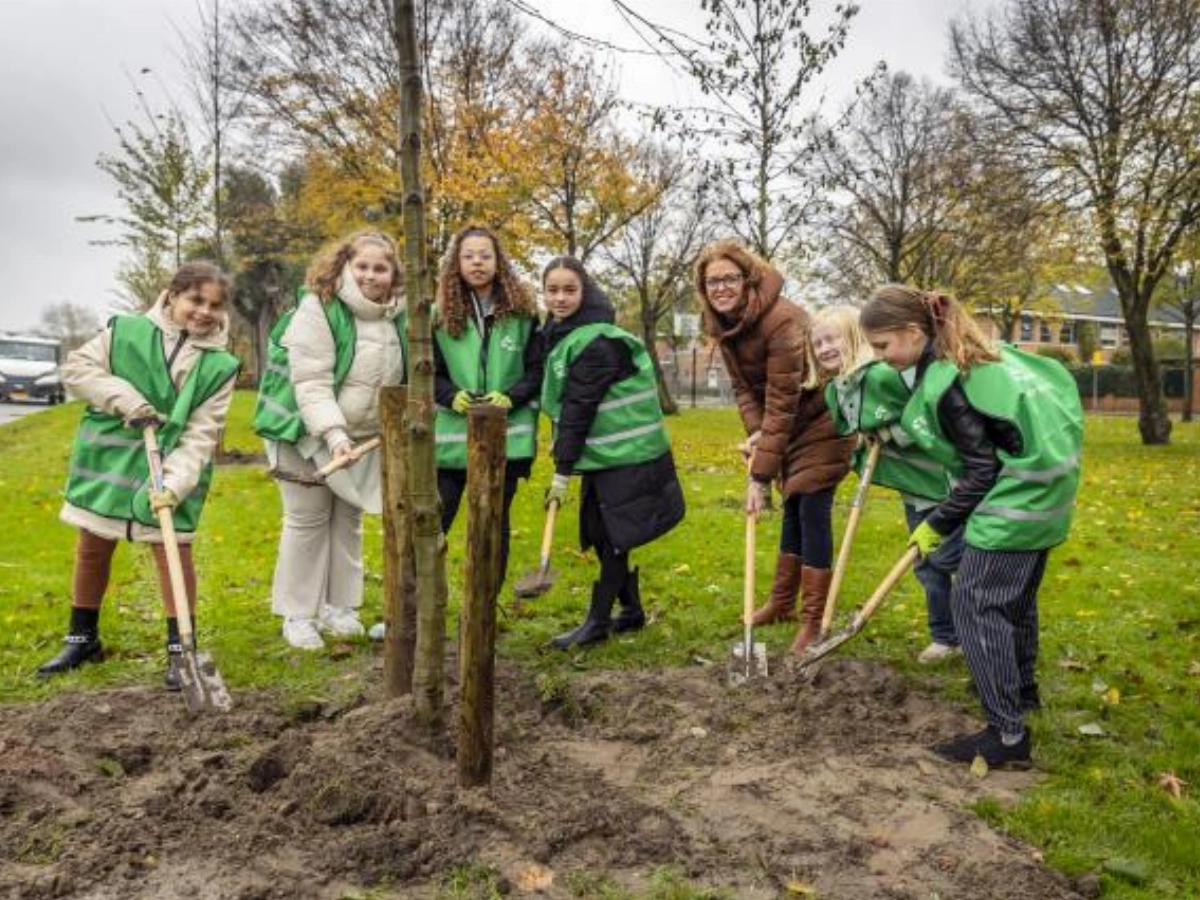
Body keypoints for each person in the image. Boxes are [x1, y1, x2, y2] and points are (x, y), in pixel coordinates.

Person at [860, 283, 1083, 768]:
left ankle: (1006, 735)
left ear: (915, 332)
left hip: (1014, 501)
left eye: (883, 346)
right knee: (1015, 602)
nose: (880, 358)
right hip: (1048, 496)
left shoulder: (949, 382)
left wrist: (936, 524)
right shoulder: (986, 360)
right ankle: (1023, 695)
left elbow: (981, 471)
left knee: (976, 604)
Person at [37, 262, 241, 689]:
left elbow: (203, 434)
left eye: (215, 305)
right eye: (196, 300)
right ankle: (82, 637)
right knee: (92, 548)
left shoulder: (220, 365)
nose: (204, 312)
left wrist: (174, 483)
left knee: (173, 554)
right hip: (108, 466)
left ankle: (179, 650)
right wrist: (125, 398)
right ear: (172, 294)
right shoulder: (124, 331)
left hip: (172, 468)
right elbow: (77, 370)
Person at [694, 240, 854, 654]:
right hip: (786, 427)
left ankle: (813, 620)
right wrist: (755, 435)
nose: (721, 288)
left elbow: (782, 401)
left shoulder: (783, 321)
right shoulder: (724, 324)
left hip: (821, 421)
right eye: (713, 281)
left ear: (747, 280)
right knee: (795, 511)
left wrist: (760, 475)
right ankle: (782, 603)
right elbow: (744, 390)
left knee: (812, 509)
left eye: (730, 278)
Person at [254, 231, 406, 650]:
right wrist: (334, 434)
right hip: (306, 431)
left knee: (348, 519)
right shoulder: (318, 308)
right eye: (362, 266)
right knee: (308, 519)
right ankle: (298, 614)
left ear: (394, 273)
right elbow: (312, 383)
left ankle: (339, 607)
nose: (371, 276)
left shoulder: (398, 317)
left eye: (381, 267)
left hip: (362, 437)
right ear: (343, 267)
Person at [539, 256, 685, 649]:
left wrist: (561, 474)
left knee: (614, 535)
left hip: (630, 455)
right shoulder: (563, 333)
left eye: (570, 289)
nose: (560, 298)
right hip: (609, 454)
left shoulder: (597, 342)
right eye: (552, 290)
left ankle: (597, 622)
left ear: (585, 292)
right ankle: (632, 611)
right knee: (601, 532)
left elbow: (578, 410)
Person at [808, 305, 965, 664]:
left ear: (855, 338)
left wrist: (891, 431)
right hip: (915, 489)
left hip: (941, 483)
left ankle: (978, 631)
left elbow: (925, 413)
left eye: (831, 338)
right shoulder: (838, 388)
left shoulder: (881, 376)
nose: (824, 348)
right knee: (927, 564)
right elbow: (857, 428)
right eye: (817, 343)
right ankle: (946, 636)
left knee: (949, 560)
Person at [433, 225, 542, 585]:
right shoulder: (437, 315)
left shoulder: (523, 314)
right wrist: (450, 395)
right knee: (435, 523)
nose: (477, 262)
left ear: (499, 262)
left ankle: (484, 615)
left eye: (485, 255)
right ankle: (417, 609)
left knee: (493, 526)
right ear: (456, 263)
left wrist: (512, 395)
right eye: (468, 256)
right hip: (451, 443)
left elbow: (537, 369)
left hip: (505, 442)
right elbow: (426, 372)